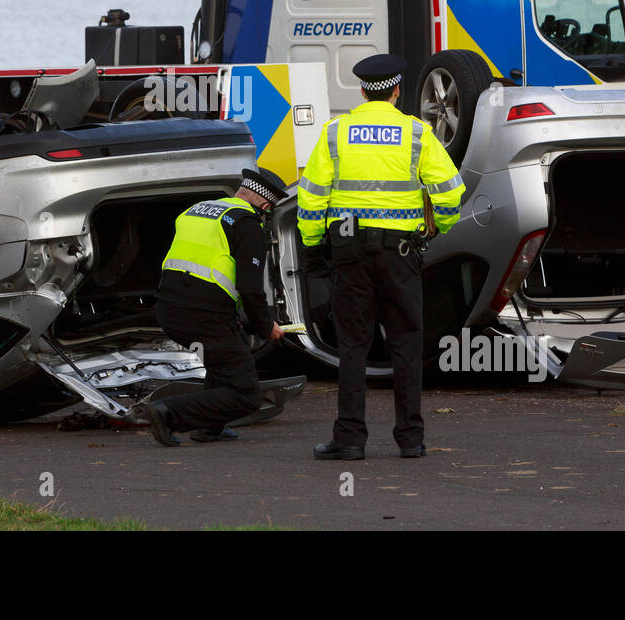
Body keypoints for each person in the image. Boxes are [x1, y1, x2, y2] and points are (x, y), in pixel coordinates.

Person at [298, 54, 465, 460]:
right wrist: (436, 227)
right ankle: (411, 440)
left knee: (353, 345)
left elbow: (312, 194)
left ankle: (351, 439)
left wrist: (314, 238)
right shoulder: (417, 133)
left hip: (349, 253)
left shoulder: (336, 133)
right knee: (406, 343)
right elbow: (449, 192)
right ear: (396, 91)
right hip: (400, 253)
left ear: (362, 90)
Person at [132, 168, 288, 446]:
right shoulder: (248, 224)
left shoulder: (199, 209)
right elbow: (251, 289)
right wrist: (266, 326)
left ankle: (210, 427)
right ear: (265, 206)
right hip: (203, 316)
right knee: (246, 394)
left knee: (227, 355)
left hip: (170, 308)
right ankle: (169, 413)